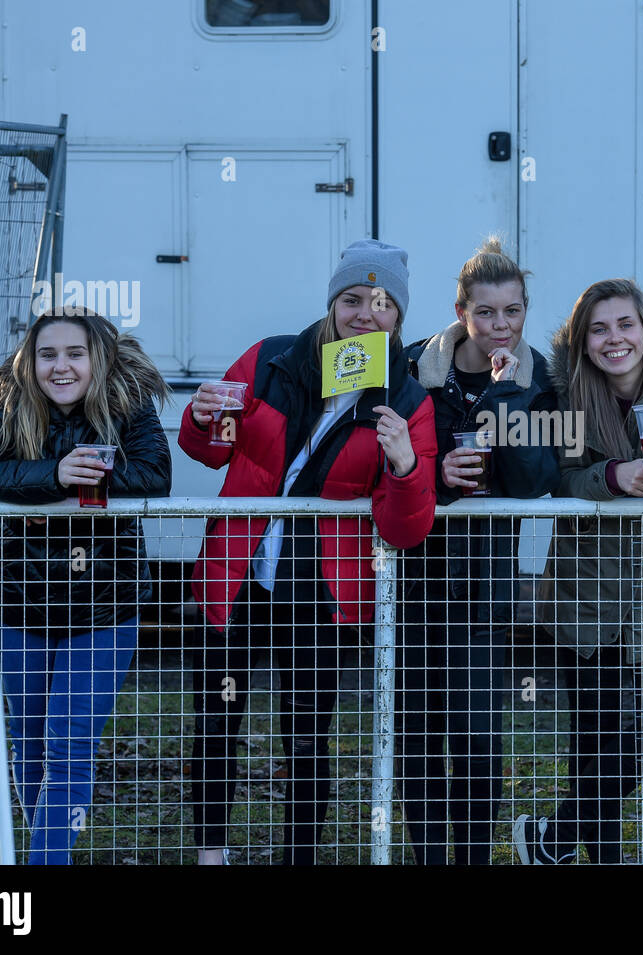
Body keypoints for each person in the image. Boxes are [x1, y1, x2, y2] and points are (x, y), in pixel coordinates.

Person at [182, 239, 437, 865]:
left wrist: (403, 463)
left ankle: (298, 856)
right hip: (236, 575)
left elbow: (405, 530)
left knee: (305, 738)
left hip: (323, 595)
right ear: (332, 303)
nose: (365, 315)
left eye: (382, 304)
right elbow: (210, 450)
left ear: (399, 318)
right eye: (352, 299)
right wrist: (200, 414)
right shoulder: (270, 360)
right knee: (217, 723)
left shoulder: (407, 400)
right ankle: (211, 855)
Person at [513, 278, 643, 864]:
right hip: (589, 584)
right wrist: (610, 478)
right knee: (593, 737)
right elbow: (558, 472)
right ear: (583, 341)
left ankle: (551, 838)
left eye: (625, 324)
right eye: (599, 329)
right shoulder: (568, 390)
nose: (614, 339)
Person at [0, 306, 171, 864]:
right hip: (22, 601)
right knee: (30, 744)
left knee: (70, 742)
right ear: (30, 361)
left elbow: (155, 476)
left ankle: (46, 863)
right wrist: (53, 477)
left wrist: (81, 473)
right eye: (48, 354)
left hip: (104, 605)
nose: (61, 367)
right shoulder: (4, 402)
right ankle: (52, 847)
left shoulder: (128, 401)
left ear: (98, 358)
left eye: (75, 354)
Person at [398, 237, 559, 864]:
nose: (501, 326)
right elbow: (384, 461)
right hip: (415, 571)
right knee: (416, 735)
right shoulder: (414, 368)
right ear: (461, 309)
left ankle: (473, 859)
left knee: (477, 734)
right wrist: (437, 476)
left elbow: (531, 480)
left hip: (488, 580)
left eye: (513, 312)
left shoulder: (539, 377)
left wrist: (507, 397)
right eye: (487, 312)